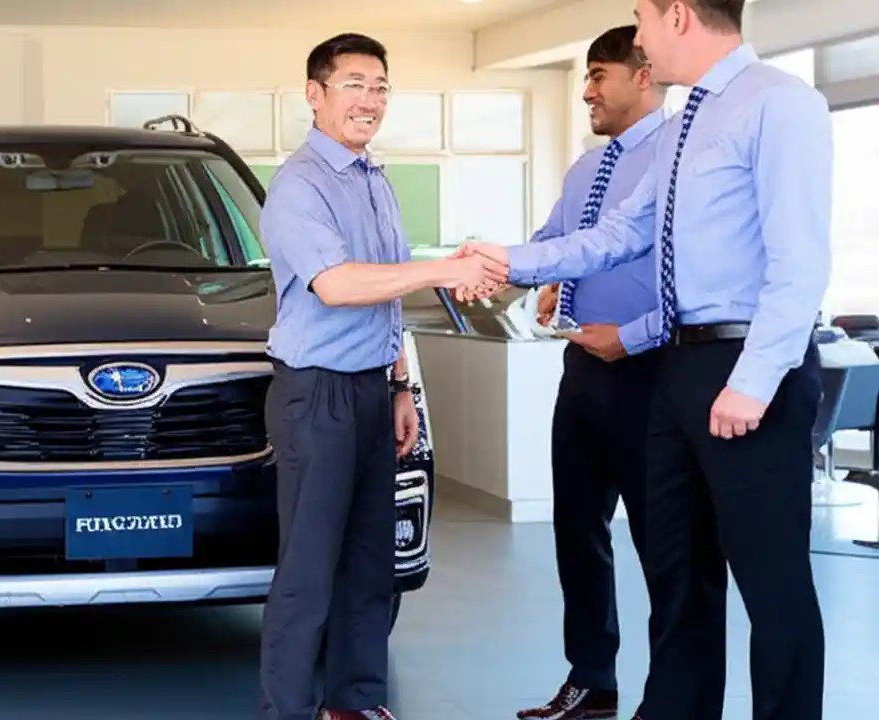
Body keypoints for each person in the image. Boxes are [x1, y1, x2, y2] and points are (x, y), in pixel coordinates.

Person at [461, 1, 833, 718]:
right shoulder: (687, 123)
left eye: (642, 18)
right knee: (679, 571)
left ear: (680, 15)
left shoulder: (781, 104)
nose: (638, 38)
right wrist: (512, 259)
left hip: (747, 366)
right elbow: (618, 233)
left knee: (772, 583)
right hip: (680, 368)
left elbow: (800, 262)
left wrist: (753, 383)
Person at [256, 32, 505, 720]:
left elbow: (385, 298)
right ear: (315, 95)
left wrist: (401, 387)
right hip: (317, 395)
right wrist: (442, 269)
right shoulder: (297, 186)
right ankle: (287, 710)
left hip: (369, 389)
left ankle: (355, 703)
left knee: (371, 563)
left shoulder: (375, 180)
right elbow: (336, 285)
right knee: (309, 571)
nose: (369, 101)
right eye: (354, 85)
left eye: (380, 87)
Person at [515, 25, 669, 720]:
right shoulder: (587, 169)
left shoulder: (679, 157)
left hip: (653, 373)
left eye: (598, 75)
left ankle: (671, 695)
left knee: (663, 542)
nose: (586, 91)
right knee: (577, 529)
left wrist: (632, 339)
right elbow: (554, 243)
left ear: (643, 74)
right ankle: (591, 681)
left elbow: (693, 274)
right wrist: (490, 266)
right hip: (582, 370)